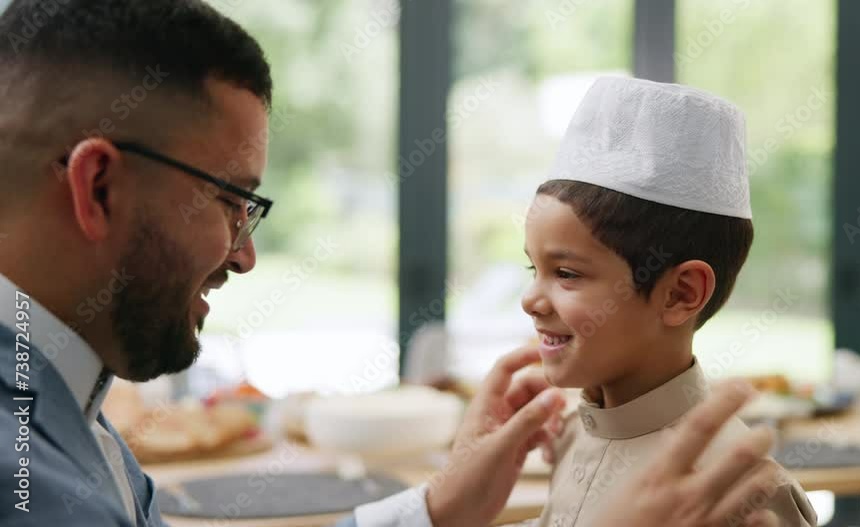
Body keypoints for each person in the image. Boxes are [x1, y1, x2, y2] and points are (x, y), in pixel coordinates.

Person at [0, 1, 787, 526]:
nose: (244, 254)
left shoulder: (69, 406)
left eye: (569, 272)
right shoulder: (29, 477)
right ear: (96, 184)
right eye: (229, 199)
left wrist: (441, 505)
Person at [521, 78, 818, 526]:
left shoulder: (739, 490)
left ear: (681, 293)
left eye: (566, 273)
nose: (530, 300)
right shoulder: (569, 436)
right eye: (533, 269)